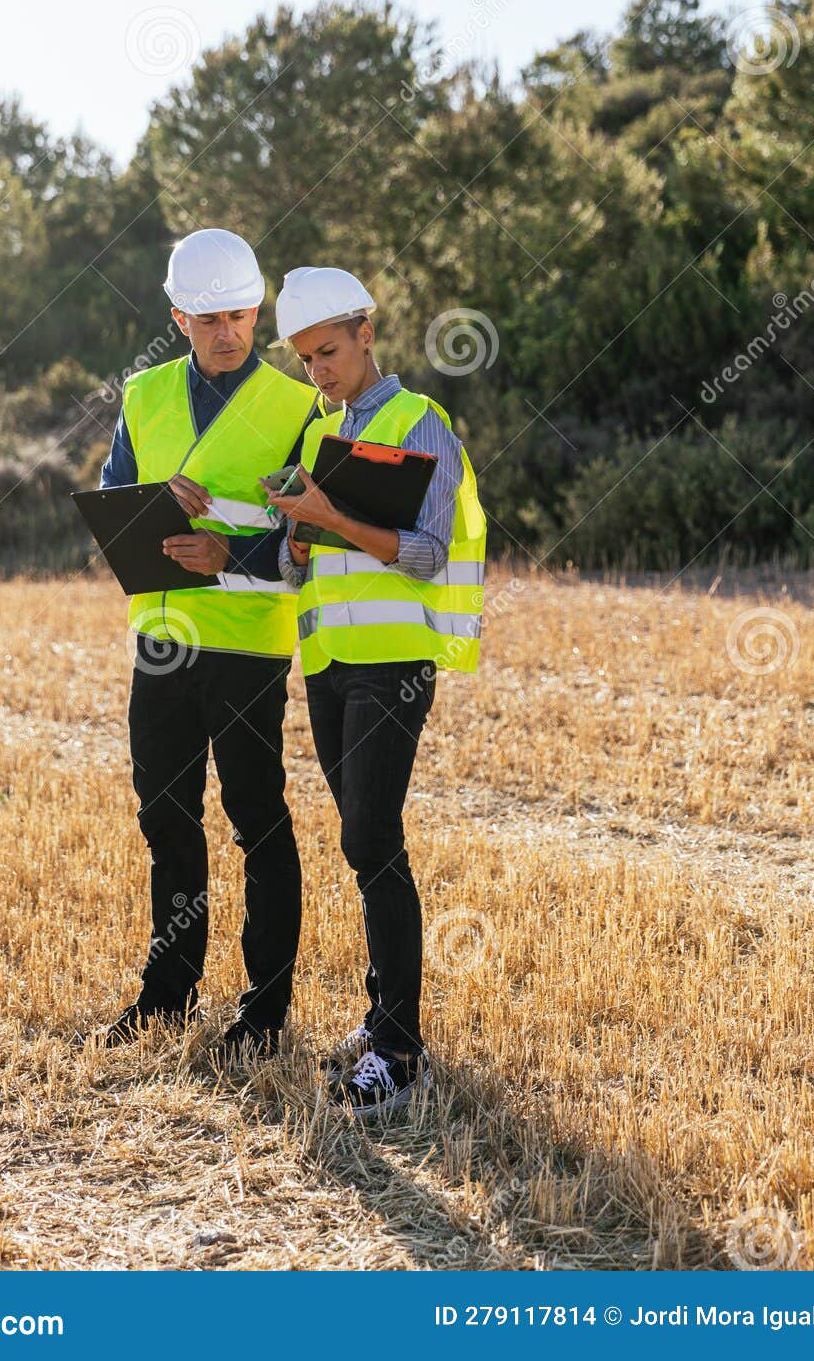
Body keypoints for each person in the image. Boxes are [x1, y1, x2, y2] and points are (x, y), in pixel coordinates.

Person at [76, 229, 321, 1060]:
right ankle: (166, 999)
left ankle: (262, 1014)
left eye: (243, 315)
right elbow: (115, 509)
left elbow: (310, 540)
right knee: (165, 817)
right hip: (163, 642)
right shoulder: (141, 395)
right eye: (210, 317)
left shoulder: (298, 406)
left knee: (258, 820)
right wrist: (152, 503)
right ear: (179, 317)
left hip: (251, 640)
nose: (229, 331)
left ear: (258, 311)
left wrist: (231, 554)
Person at [264, 266, 486, 1118]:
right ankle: (382, 1015)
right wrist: (296, 530)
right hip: (328, 666)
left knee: (370, 833)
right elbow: (296, 569)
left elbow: (428, 554)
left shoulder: (417, 421)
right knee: (362, 845)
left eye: (328, 351)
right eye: (305, 358)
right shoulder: (316, 440)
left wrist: (335, 517)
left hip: (396, 661)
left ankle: (398, 1048)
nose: (318, 370)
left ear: (365, 334)